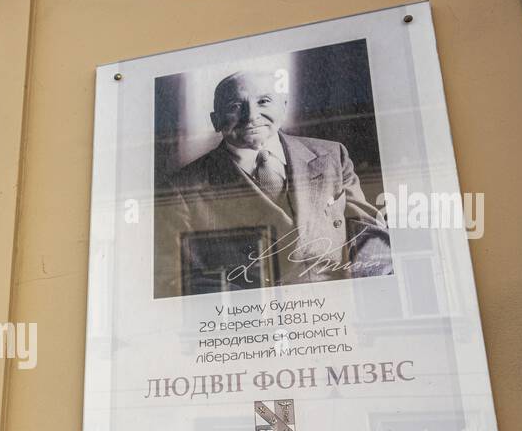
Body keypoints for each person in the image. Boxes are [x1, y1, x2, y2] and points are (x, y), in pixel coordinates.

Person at [154, 69, 392, 297]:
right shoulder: (182, 188)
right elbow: (173, 275)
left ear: (284, 107)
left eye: (264, 101)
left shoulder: (332, 155)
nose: (251, 116)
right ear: (216, 120)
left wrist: (364, 296)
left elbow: (369, 235)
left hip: (339, 309)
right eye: (235, 106)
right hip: (254, 321)